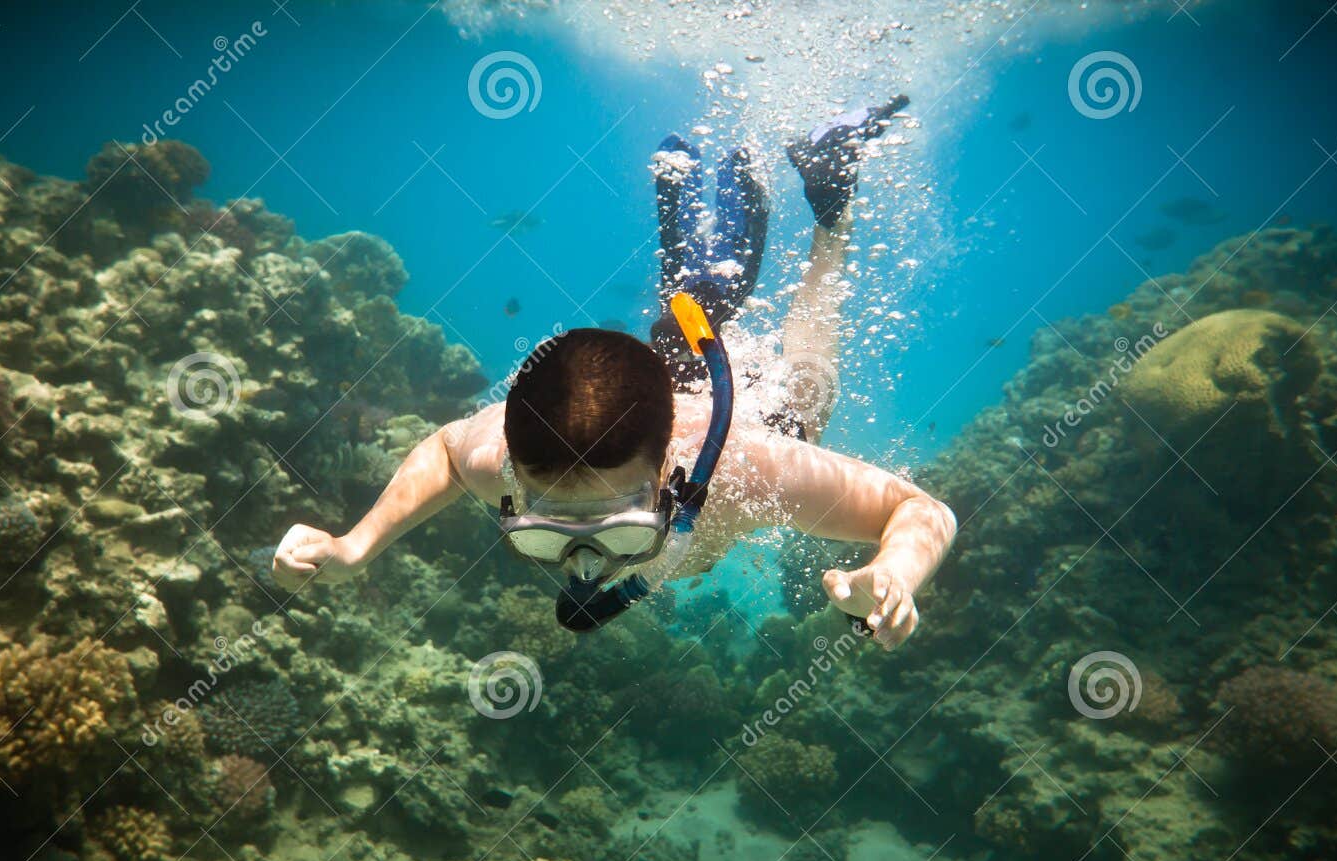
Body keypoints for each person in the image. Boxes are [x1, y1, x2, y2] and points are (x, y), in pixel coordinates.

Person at [273, 96, 955, 651]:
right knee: (691, 311)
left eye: (618, 525)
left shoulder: (747, 472)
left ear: (668, 475)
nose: (587, 564)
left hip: (731, 410)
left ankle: (828, 203)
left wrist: (894, 571)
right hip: (652, 388)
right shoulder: (500, 459)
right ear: (516, 487)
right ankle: (688, 192)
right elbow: (446, 451)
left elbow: (919, 510)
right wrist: (352, 546)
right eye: (548, 526)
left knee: (808, 388)